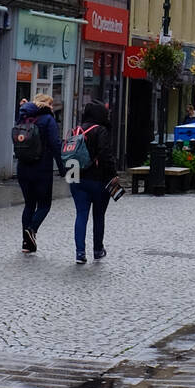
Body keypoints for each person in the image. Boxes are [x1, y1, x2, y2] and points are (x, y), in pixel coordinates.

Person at [14, 94, 65, 254]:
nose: (52, 107)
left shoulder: (23, 118)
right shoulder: (48, 120)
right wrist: (63, 168)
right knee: (44, 205)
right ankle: (31, 229)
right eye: (51, 104)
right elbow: (56, 145)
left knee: (29, 204)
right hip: (41, 168)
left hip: (23, 167)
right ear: (46, 105)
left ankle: (26, 244)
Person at [70, 101, 118, 265]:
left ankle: (80, 252)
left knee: (81, 215)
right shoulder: (101, 130)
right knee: (99, 216)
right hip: (98, 180)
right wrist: (113, 175)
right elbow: (106, 155)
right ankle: (98, 250)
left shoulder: (77, 129)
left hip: (77, 178)